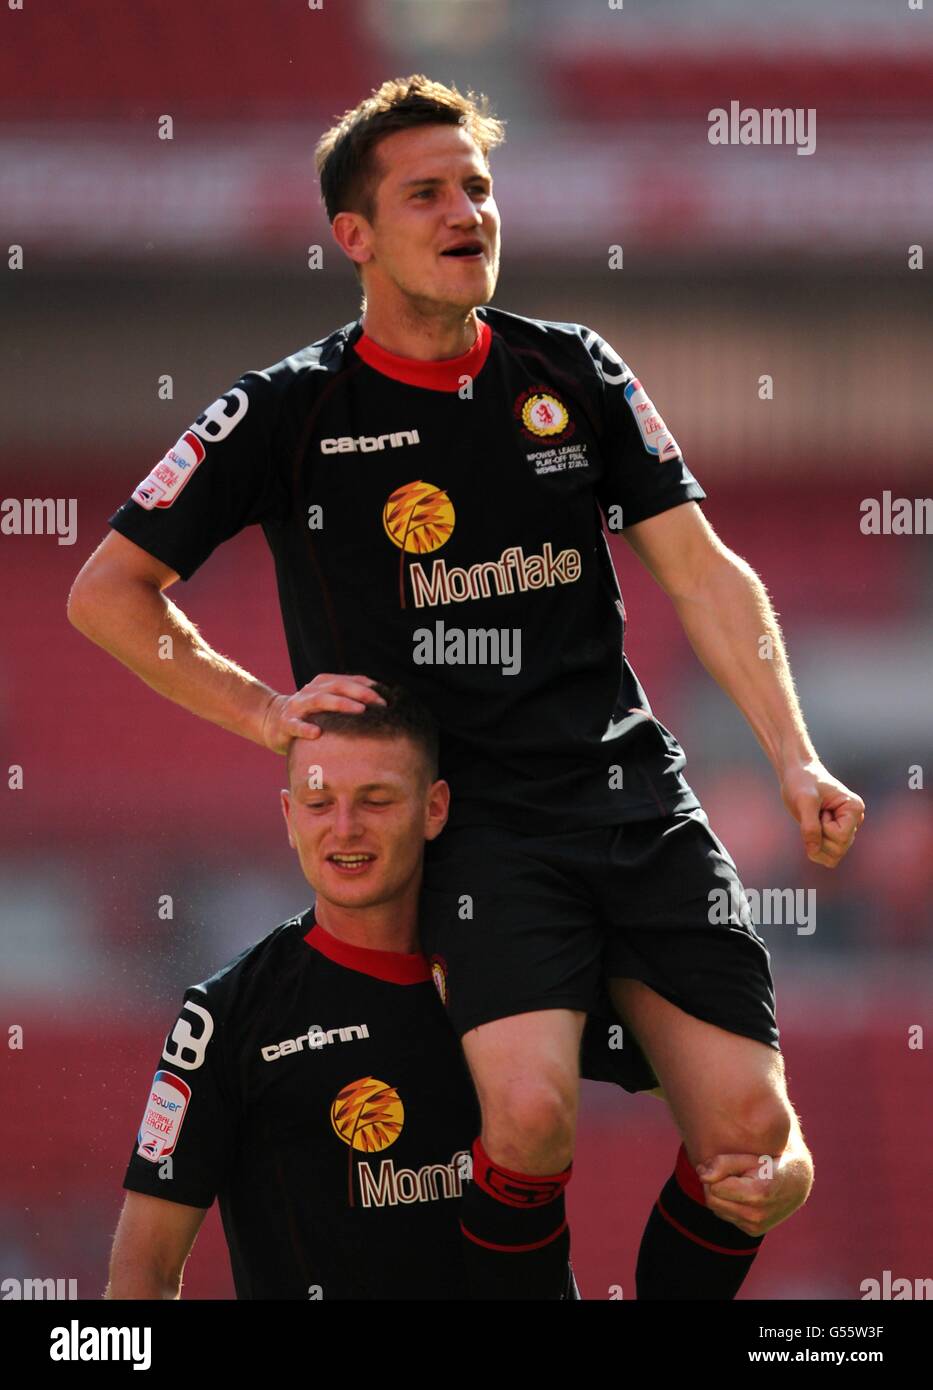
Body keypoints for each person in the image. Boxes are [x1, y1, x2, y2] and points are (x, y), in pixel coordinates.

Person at [71, 75, 864, 1300]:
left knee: (757, 1151)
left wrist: (794, 754)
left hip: (632, 801)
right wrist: (265, 713)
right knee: (532, 1117)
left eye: (480, 187)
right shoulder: (286, 410)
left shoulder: (574, 371)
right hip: (475, 823)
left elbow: (706, 574)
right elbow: (108, 591)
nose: (467, 212)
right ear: (355, 235)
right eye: (427, 193)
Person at [108, 686, 591, 1299]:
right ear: (288, 816)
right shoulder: (222, 1015)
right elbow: (142, 1272)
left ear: (434, 807)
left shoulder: (520, 976)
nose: (344, 829)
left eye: (376, 800)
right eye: (318, 802)